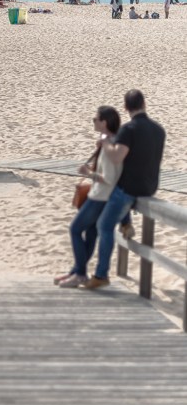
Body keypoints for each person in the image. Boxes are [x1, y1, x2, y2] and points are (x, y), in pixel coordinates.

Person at [82, 89, 165, 289]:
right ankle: (126, 223)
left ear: (126, 108)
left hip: (129, 188)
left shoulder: (129, 129)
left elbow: (117, 157)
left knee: (104, 225)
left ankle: (101, 275)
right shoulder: (159, 130)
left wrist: (106, 144)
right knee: (114, 198)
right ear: (144, 103)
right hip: (150, 186)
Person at [54, 106, 128, 288]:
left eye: (96, 119)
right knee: (91, 233)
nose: (93, 121)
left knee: (75, 229)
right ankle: (77, 271)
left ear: (104, 122)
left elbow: (109, 179)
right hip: (102, 196)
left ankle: (79, 273)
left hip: (100, 197)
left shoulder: (111, 147)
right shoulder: (109, 142)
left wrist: (88, 173)